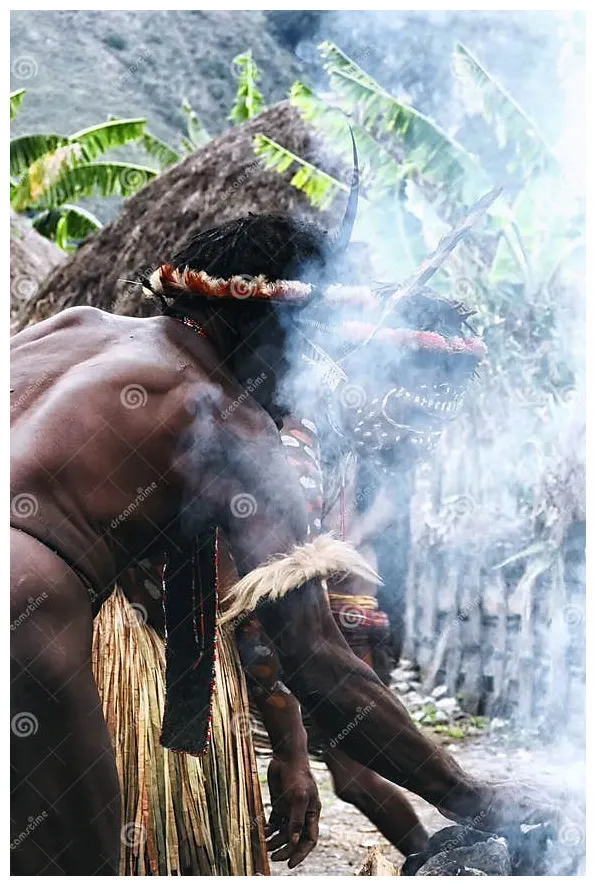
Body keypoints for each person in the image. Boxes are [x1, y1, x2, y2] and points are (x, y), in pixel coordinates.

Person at [11, 211, 562, 875]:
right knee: (83, 863)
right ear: (270, 323)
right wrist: (470, 794)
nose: (307, 365)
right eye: (307, 340)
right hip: (25, 607)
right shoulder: (234, 426)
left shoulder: (70, 327)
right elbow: (318, 660)